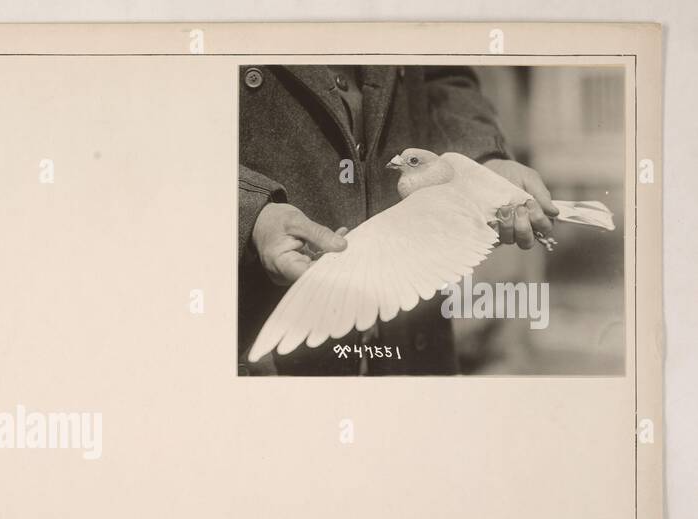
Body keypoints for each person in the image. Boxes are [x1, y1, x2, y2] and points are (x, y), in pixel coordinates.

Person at [238, 65, 558, 375]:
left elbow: (444, 73)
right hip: (269, 313)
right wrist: (252, 210)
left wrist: (483, 160)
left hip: (410, 342)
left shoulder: (434, 181)